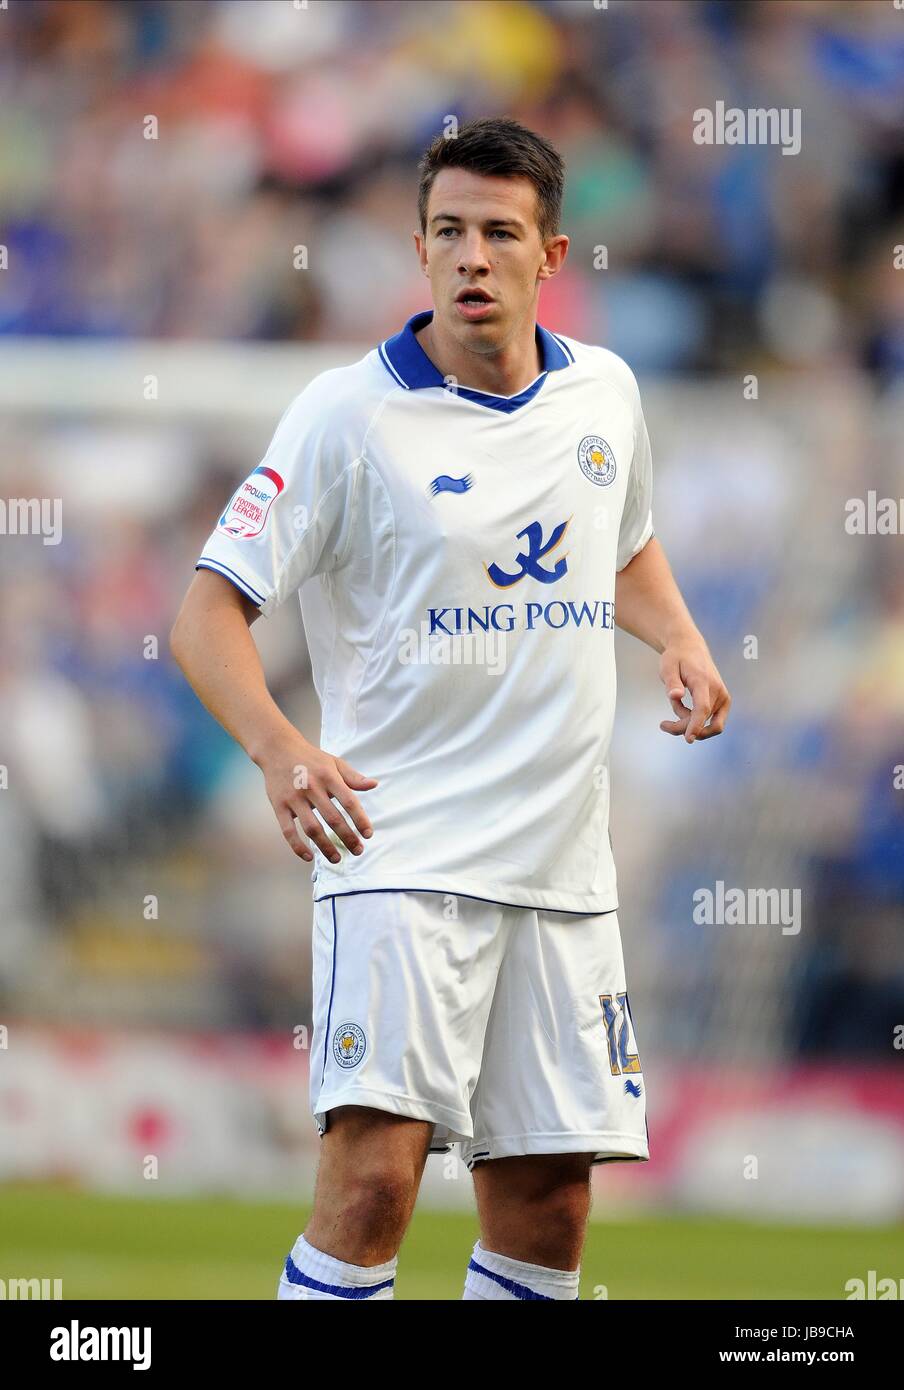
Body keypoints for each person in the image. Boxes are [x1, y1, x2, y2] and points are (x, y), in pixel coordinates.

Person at [170, 116, 731, 1302]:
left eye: (499, 233)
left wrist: (679, 635)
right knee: (375, 1181)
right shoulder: (345, 416)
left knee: (549, 1204)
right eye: (449, 231)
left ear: (552, 255)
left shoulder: (606, 396)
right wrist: (277, 748)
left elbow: (619, 544)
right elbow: (204, 613)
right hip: (400, 851)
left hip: (562, 863)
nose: (472, 256)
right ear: (418, 248)